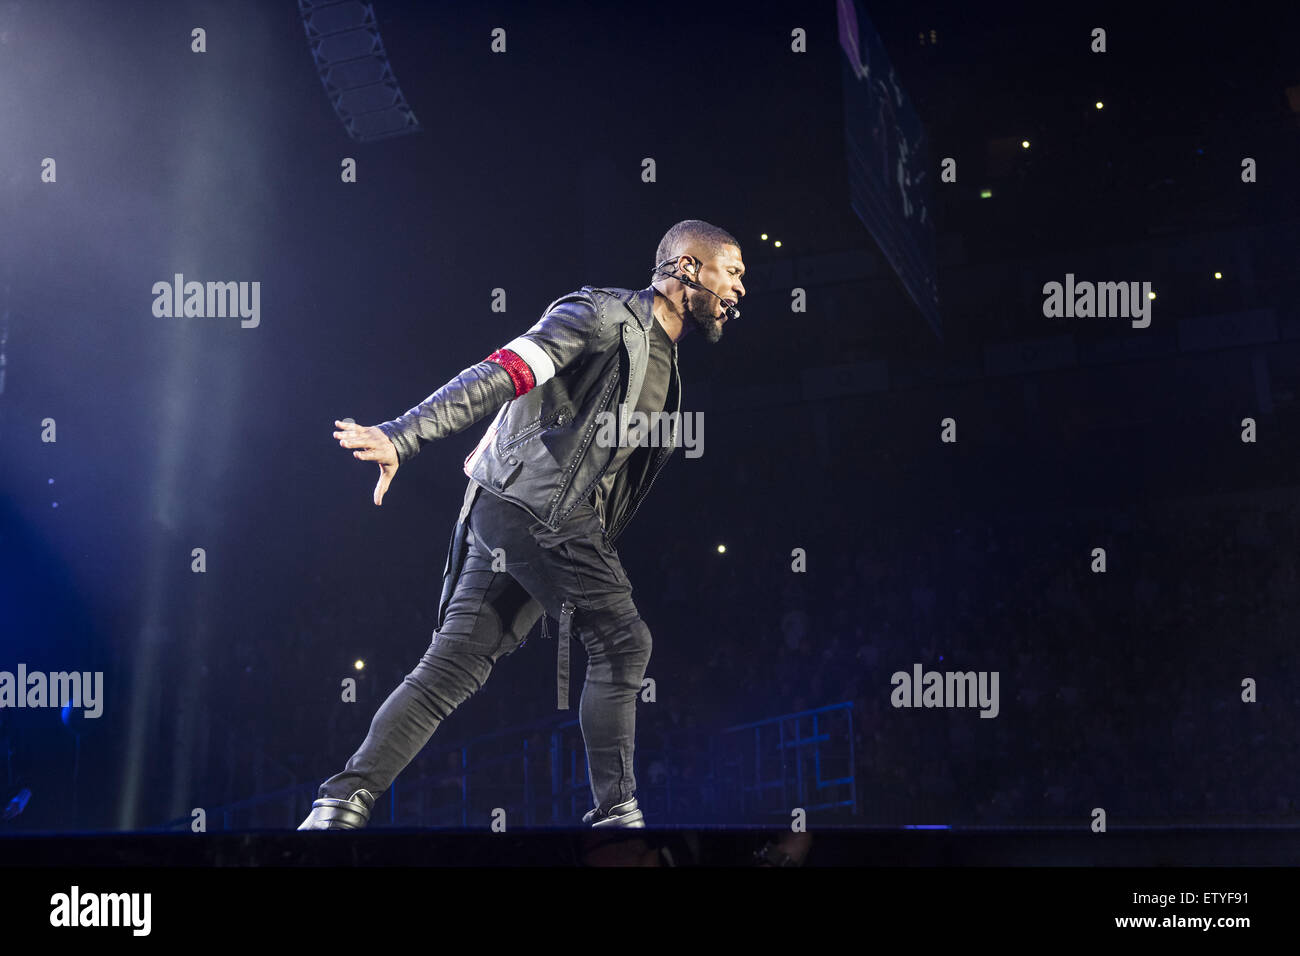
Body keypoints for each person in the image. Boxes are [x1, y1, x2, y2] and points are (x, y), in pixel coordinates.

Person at [298, 220, 746, 830]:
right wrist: (405, 434)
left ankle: (339, 804)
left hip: (523, 515)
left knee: (452, 665)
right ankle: (617, 818)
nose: (741, 287)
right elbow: (501, 372)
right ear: (689, 268)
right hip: (535, 506)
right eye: (735, 271)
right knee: (624, 640)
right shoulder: (599, 315)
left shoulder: (666, 363)